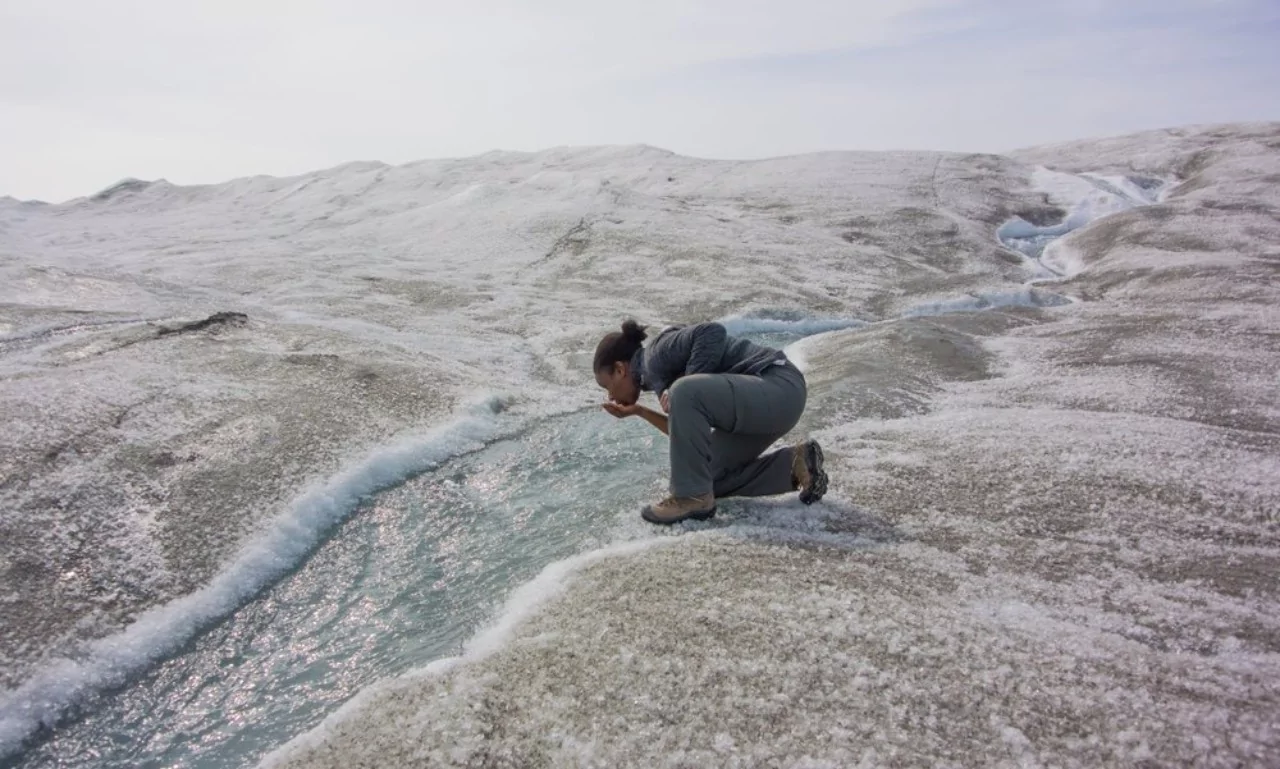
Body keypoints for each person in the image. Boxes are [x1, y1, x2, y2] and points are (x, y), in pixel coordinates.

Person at [593, 319, 827, 524]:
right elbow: (687, 435)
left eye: (606, 386)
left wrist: (686, 382)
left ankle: (690, 499)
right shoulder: (657, 377)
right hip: (767, 406)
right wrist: (640, 411)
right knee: (704, 475)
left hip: (779, 386)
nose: (610, 397)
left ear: (620, 369)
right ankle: (798, 464)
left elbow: (711, 332)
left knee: (682, 391)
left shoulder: (655, 355)